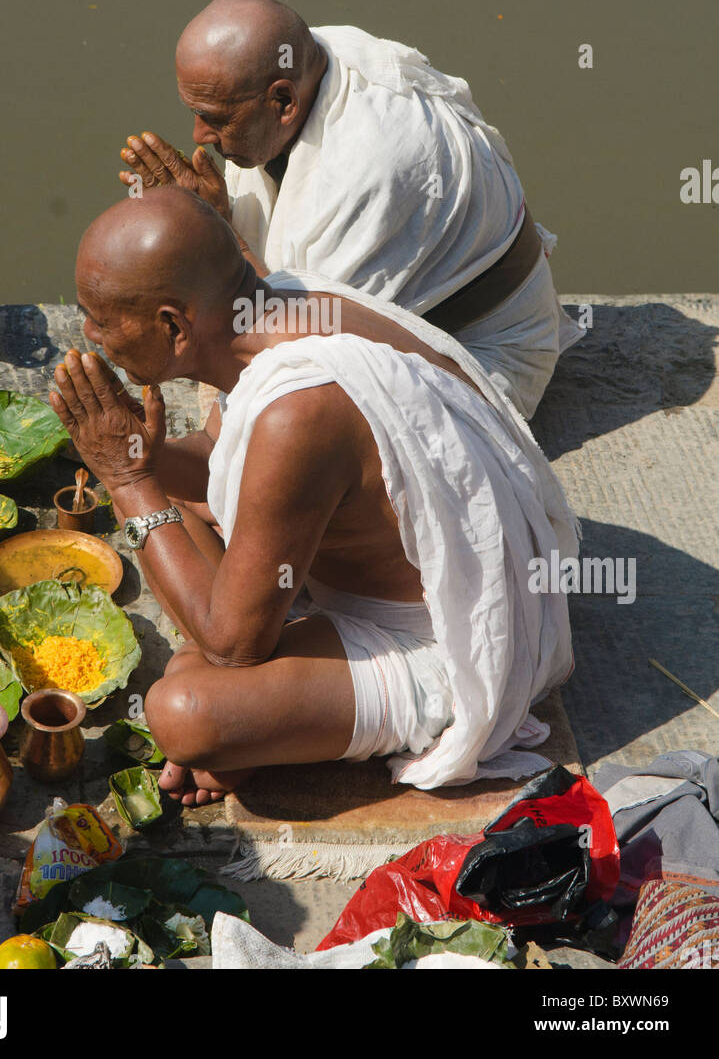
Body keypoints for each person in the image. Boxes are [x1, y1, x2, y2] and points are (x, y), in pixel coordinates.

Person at [49, 189, 577, 808]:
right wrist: (145, 454)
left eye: (102, 318)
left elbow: (230, 648)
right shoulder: (281, 302)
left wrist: (126, 479)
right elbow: (218, 462)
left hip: (446, 642)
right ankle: (270, 717)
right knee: (170, 498)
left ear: (173, 326)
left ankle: (264, 730)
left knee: (184, 709)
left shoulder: (298, 410)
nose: (89, 334)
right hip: (404, 569)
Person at [118, 0, 582, 419]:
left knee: (284, 436)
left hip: (479, 358)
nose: (199, 136)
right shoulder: (313, 55)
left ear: (283, 102)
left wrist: (218, 230)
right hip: (382, 306)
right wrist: (216, 220)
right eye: (193, 113)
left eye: (214, 118)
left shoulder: (371, 166)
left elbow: (305, 345)